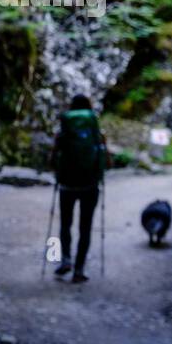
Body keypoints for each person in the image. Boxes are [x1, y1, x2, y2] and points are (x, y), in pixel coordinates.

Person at [50, 95, 110, 283]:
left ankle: (65, 259)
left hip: (67, 185)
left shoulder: (63, 131)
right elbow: (107, 161)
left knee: (65, 224)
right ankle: (79, 269)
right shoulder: (96, 131)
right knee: (85, 227)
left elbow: (52, 160)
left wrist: (59, 171)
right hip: (90, 185)